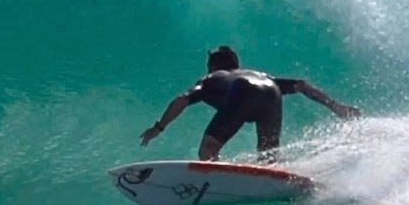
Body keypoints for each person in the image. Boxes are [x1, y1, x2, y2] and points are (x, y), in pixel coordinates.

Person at [139, 45, 361, 162]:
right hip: (271, 91)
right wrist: (336, 106)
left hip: (243, 91)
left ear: (214, 65)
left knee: (208, 149)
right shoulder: (257, 74)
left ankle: (218, 178)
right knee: (268, 155)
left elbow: (181, 99)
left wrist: (159, 127)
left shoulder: (212, 79)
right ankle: (272, 182)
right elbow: (302, 85)